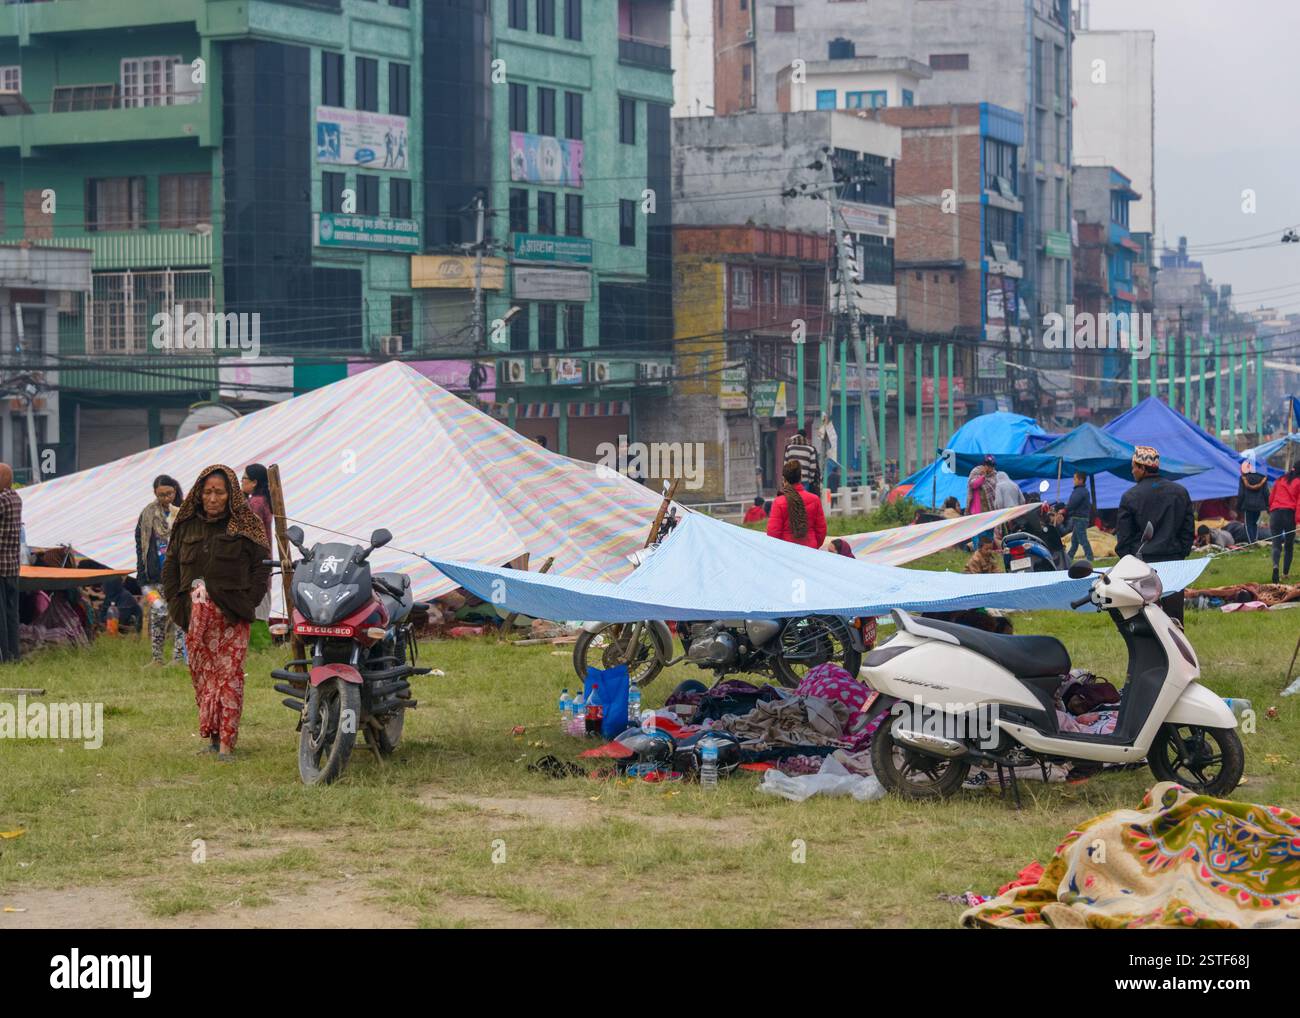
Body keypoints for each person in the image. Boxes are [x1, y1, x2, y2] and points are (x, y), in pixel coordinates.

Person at [162, 465, 271, 761]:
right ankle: (211, 738)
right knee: (203, 679)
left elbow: (261, 569)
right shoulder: (185, 525)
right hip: (192, 616)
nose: (212, 498)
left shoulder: (245, 524)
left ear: (231, 494)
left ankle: (226, 745)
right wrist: (176, 605)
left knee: (229, 678)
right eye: (207, 491)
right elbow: (170, 568)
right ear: (199, 493)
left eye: (219, 492)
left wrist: (248, 603)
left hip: (231, 615)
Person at [1115, 445, 1194, 624]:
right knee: (1175, 619)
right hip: (1174, 562)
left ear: (1142, 468)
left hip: (1143, 566)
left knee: (1147, 617)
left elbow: (1124, 540)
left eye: (1134, 467)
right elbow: (1188, 530)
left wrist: (1131, 563)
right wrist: (1181, 553)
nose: (1132, 471)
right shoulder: (1180, 492)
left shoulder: (1130, 496)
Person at [136, 475, 186, 666]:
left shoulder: (184, 512)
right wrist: (142, 576)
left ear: (175, 491)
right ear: (155, 493)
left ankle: (178, 658)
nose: (167, 498)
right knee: (157, 616)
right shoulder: (147, 514)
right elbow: (140, 546)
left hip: (180, 574)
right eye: (161, 495)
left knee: (181, 617)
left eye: (170, 493)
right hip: (155, 576)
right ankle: (156, 658)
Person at [241, 464, 276, 626]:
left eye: (244, 478)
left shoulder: (255, 503)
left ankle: (258, 647)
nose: (242, 482)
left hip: (255, 561)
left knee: (255, 610)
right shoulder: (265, 500)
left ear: (254, 482)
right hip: (265, 559)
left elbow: (250, 534)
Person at [767, 458, 827, 549]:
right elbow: (821, 530)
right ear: (801, 477)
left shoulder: (779, 502)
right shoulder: (815, 499)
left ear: (784, 479)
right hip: (810, 550)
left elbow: (773, 533)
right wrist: (814, 545)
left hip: (786, 552)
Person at [0, 463, 21, 662]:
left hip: (0, 566)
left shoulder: (2, 499)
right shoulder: (16, 498)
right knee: (12, 614)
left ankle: (4, 656)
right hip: (13, 566)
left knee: (1, 619)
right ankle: (15, 654)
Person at [1268, 462, 1300, 583]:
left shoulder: (1280, 480)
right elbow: (1299, 504)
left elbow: (1271, 497)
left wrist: (1271, 509)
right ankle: (1285, 573)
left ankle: (1275, 566)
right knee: (1289, 545)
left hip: (1275, 513)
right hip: (1289, 514)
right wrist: (1298, 521)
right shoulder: (1299, 482)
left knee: (1276, 544)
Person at [1237, 460, 1270, 543]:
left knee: (1248, 525)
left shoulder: (1243, 478)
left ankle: (1250, 542)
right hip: (1259, 506)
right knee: (1254, 523)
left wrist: (1238, 506)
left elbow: (1241, 494)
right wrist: (1267, 505)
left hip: (1247, 505)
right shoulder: (1262, 478)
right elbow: (1266, 493)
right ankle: (1255, 540)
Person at [1064, 471, 1094, 561]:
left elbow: (1073, 503)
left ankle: (1090, 557)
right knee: (1075, 540)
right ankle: (1069, 557)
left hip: (1080, 518)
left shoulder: (1080, 491)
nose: (1074, 481)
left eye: (1075, 479)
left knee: (1082, 539)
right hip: (1079, 518)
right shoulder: (1081, 491)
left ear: (1080, 480)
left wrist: (1065, 509)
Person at [784, 430, 821, 495]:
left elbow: (785, 465)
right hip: (804, 479)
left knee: (791, 500)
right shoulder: (810, 449)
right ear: (805, 437)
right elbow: (813, 467)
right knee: (804, 499)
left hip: (791, 479)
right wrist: (811, 479)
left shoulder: (789, 448)